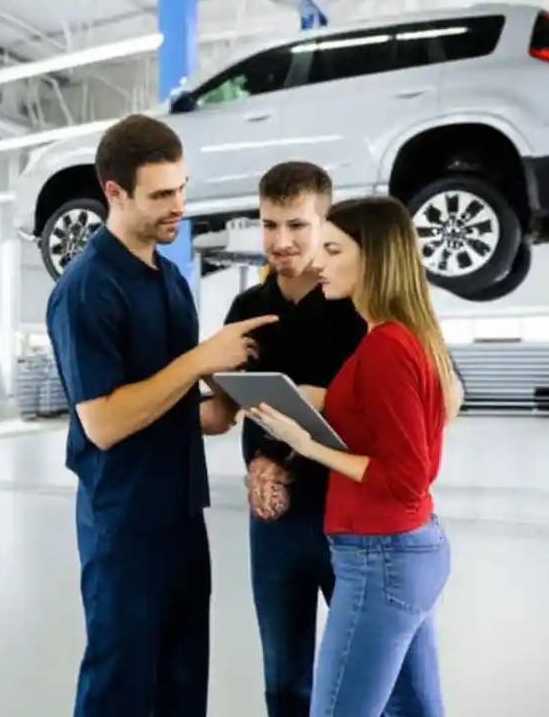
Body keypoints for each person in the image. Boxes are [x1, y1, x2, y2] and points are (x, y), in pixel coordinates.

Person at [45, 113, 278, 717]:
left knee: (181, 679)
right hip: (123, 524)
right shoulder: (87, 288)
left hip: (180, 512)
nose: (179, 205)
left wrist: (222, 404)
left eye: (182, 188)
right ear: (114, 193)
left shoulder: (171, 279)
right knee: (121, 684)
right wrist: (200, 359)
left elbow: (169, 407)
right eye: (161, 194)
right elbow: (102, 422)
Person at [247, 196, 464, 716]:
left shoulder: (386, 346)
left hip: (380, 556)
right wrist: (319, 402)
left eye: (333, 249)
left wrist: (308, 447)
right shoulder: (403, 337)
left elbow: (406, 476)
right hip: (407, 547)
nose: (317, 262)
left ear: (373, 258)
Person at [200, 162, 365, 717]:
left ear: (325, 222)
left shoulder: (357, 304)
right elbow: (221, 409)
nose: (281, 241)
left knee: (363, 675)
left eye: (297, 225)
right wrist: (202, 375)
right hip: (272, 520)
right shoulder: (246, 311)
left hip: (348, 514)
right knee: (283, 678)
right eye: (270, 225)